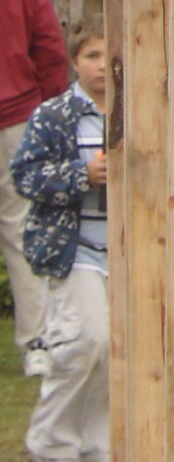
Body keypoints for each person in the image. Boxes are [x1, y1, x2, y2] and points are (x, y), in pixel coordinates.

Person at [11, 25, 109, 462]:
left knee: (115, 354)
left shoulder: (142, 108)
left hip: (132, 253)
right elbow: (25, 176)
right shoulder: (54, 115)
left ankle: (99, 446)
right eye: (91, 55)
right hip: (75, 250)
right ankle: (51, 446)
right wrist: (80, 175)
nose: (102, 65)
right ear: (74, 61)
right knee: (84, 343)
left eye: (110, 55)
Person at [0, 0, 70, 378]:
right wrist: (53, 109)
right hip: (18, 115)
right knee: (22, 232)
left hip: (19, 114)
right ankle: (38, 341)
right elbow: (48, 44)